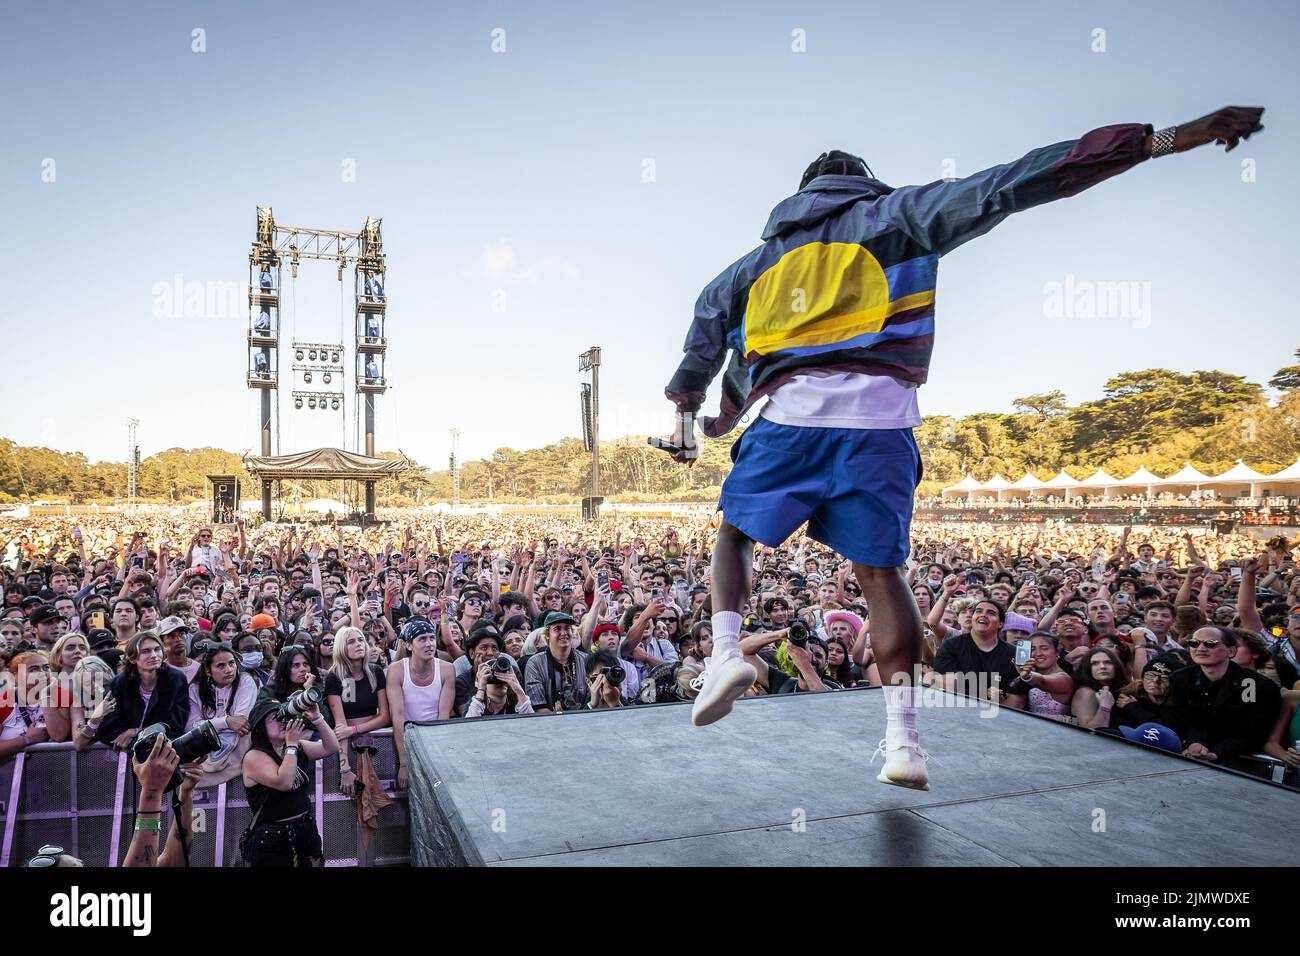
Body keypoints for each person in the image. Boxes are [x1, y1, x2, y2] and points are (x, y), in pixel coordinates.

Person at [657, 106, 1266, 793]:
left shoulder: (750, 268)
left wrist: (696, 425)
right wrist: (1161, 141)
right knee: (881, 576)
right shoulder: (903, 215)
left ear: (797, 198)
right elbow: (1012, 182)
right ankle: (904, 742)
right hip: (883, 430)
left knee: (735, 535)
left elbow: (703, 360)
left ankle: (727, 653)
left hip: (789, 425)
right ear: (864, 185)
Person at [238, 695, 339, 867]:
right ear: (260, 726)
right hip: (273, 839)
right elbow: (284, 782)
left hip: (305, 830)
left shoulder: (296, 747)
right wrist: (291, 745)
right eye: (275, 719)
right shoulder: (254, 756)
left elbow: (331, 747)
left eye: (283, 717)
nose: (282, 721)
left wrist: (318, 718)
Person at [1167, 625, 1283, 767]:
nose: (1200, 648)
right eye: (1194, 643)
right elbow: (1183, 719)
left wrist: (1216, 753)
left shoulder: (1255, 685)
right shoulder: (1180, 679)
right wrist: (1194, 743)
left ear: (1231, 651)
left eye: (1210, 644)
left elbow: (1252, 730)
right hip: (1190, 755)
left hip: (1240, 761)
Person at [385, 618, 454, 791]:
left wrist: (436, 758)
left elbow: (443, 718)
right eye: (422, 639)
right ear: (409, 645)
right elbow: (398, 716)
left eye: (431, 638)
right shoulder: (396, 670)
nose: (429, 644)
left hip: (436, 742)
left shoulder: (447, 669)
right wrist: (404, 763)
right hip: (408, 741)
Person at [324, 626, 391, 797]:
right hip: (348, 748)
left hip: (378, 743)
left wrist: (353, 730)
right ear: (341, 647)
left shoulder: (375, 672)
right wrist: (344, 768)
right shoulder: (335, 677)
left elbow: (384, 717)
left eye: (360, 640)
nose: (359, 644)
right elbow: (341, 726)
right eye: (351, 642)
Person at [95, 631, 190, 750]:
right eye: (146, 651)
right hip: (126, 752)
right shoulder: (120, 683)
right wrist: (129, 739)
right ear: (132, 658)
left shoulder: (176, 679)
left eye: (157, 649)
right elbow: (108, 726)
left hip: (164, 749)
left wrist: (137, 732)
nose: (154, 655)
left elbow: (177, 723)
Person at [523, 611, 588, 713]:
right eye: (557, 629)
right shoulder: (535, 663)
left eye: (567, 628)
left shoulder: (585, 660)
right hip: (548, 724)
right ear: (547, 634)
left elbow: (593, 699)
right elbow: (538, 706)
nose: (564, 633)